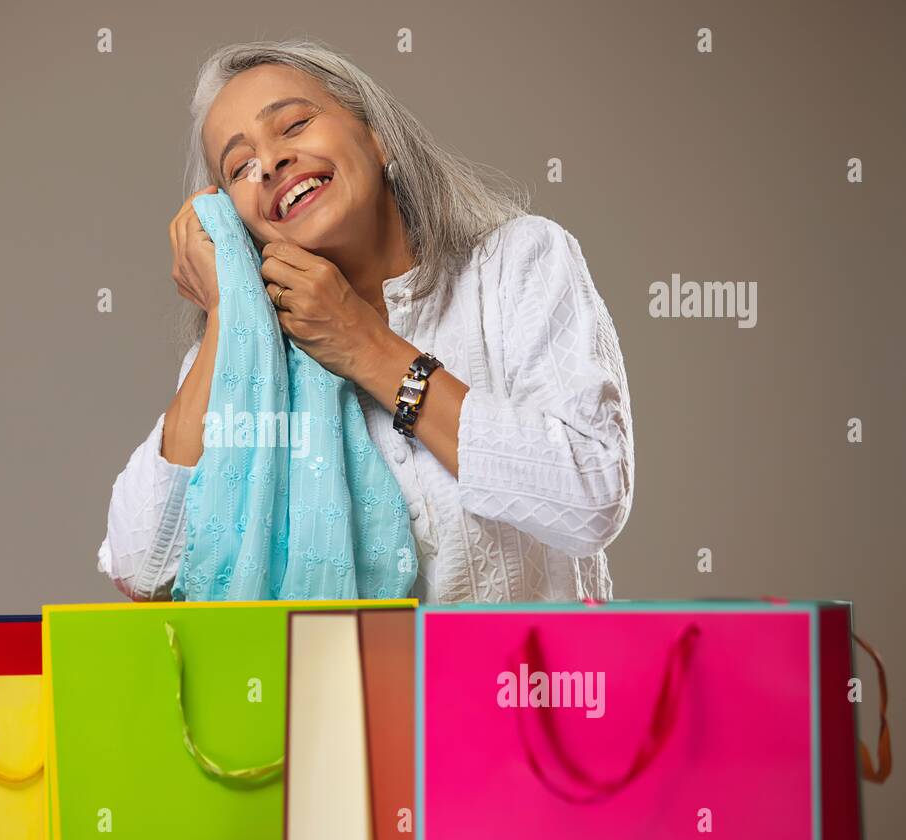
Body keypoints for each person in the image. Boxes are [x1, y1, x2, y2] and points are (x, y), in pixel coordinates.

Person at [97, 38, 634, 604]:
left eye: (295, 124)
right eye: (240, 166)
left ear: (376, 136)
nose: (272, 162)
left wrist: (366, 347)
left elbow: (589, 498)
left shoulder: (519, 265)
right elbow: (141, 568)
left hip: (525, 690)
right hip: (329, 696)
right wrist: (227, 314)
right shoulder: (243, 359)